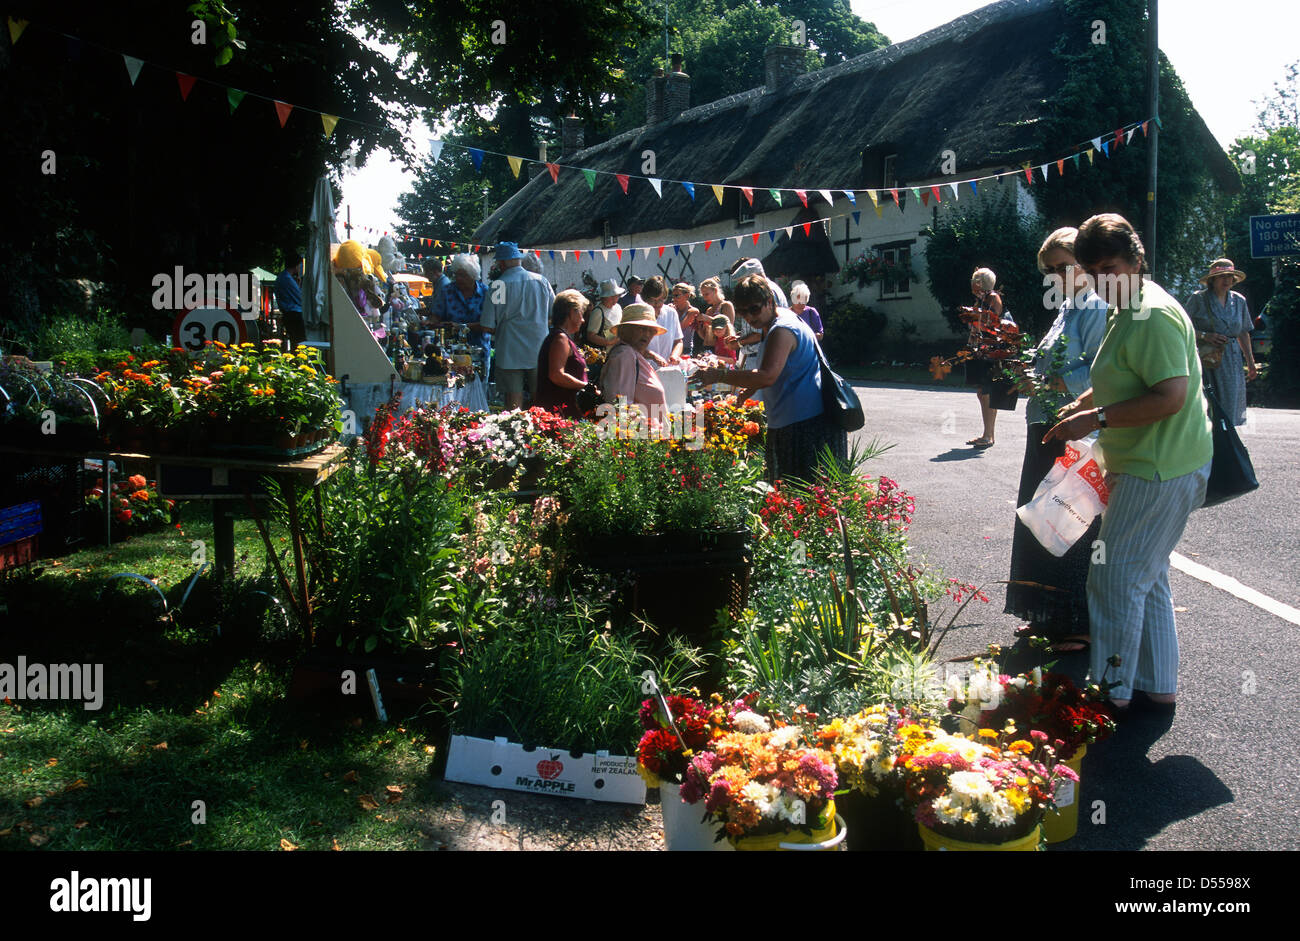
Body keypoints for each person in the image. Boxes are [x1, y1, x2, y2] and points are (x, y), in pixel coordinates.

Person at [1043, 213, 1212, 718]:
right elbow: (1125, 378)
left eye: (1111, 266)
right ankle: (1155, 688)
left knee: (1114, 577)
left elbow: (1169, 397)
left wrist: (1093, 418)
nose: (1102, 279)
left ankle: (1108, 693)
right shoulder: (1127, 305)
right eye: (1092, 270)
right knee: (1147, 575)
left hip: (1158, 467)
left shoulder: (1152, 312)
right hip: (1150, 463)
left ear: (1137, 260)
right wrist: (1081, 407)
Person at [1003, 228, 1108, 653]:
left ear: (1085, 260)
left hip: (1076, 427)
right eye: (1050, 270)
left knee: (1072, 521)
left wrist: (1055, 380)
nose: (1056, 275)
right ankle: (1046, 615)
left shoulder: (1098, 305)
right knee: (1042, 518)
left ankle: (1078, 624)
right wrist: (1023, 367)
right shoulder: (1069, 306)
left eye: (1064, 265)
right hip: (1046, 422)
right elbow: (1048, 359)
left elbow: (1106, 371)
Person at [695, 274, 846, 483]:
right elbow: (777, 370)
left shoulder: (782, 329)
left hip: (806, 425)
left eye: (754, 309)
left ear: (769, 301)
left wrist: (719, 374)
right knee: (799, 503)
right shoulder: (774, 321)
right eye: (742, 311)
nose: (749, 317)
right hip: (797, 421)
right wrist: (746, 391)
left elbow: (767, 376)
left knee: (805, 501)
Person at [480, 242, 554, 409]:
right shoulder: (541, 281)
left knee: (513, 400)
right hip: (538, 347)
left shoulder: (499, 286)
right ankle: (543, 430)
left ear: (502, 263)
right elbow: (552, 314)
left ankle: (515, 432)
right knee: (540, 397)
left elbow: (488, 325)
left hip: (509, 349)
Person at [1184, 258, 1257, 426]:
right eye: (1222, 276)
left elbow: (1243, 332)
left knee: (1231, 404)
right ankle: (1209, 443)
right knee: (1209, 404)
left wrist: (1251, 363)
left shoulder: (1239, 301)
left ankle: (1228, 443)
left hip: (1232, 360)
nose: (1226, 280)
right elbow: (1182, 328)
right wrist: (1204, 335)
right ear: (1212, 280)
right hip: (1207, 358)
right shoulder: (1199, 299)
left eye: (1230, 276)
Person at [963, 267, 1017, 448]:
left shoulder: (993, 299)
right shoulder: (983, 299)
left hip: (993, 351)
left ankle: (988, 436)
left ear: (979, 284)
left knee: (986, 393)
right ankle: (987, 434)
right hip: (985, 350)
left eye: (974, 281)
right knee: (983, 393)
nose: (972, 284)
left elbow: (989, 326)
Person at [533, 289, 590, 418]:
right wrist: (585, 386)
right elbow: (556, 375)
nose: (583, 320)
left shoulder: (560, 337)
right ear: (571, 312)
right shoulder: (560, 339)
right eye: (581, 313)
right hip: (559, 412)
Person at [601, 303, 668, 410]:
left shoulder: (633, 353)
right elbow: (620, 404)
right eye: (641, 329)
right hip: (639, 426)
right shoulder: (625, 355)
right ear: (625, 331)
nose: (647, 334)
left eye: (651, 330)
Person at [432, 254, 490, 365]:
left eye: (463, 275)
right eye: (456, 275)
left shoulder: (485, 293)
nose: (458, 278)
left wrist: (461, 327)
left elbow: (490, 324)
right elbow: (436, 316)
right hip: (451, 354)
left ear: (473, 275)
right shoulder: (447, 291)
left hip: (478, 353)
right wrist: (430, 321)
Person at [641, 277, 684, 364]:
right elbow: (632, 346)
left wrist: (674, 355)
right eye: (653, 300)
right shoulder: (638, 314)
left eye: (661, 300)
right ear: (645, 298)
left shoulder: (671, 313)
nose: (656, 304)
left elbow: (678, 341)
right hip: (643, 370)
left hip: (665, 369)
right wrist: (652, 356)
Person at [275, 248, 306, 349]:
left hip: (287, 313)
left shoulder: (281, 277)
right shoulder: (288, 279)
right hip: (294, 314)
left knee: (294, 341)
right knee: (300, 342)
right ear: (296, 265)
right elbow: (299, 298)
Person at [584, 279, 623, 349]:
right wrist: (609, 342)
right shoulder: (598, 311)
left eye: (616, 296)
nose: (614, 299)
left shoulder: (618, 307)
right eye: (611, 296)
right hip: (606, 352)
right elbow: (590, 336)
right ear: (603, 297)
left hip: (618, 348)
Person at [670, 282, 703, 355]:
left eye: (677, 295)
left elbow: (678, 329)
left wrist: (672, 313)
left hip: (685, 349)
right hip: (670, 347)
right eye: (673, 296)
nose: (673, 299)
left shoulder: (693, 311)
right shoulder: (672, 309)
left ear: (687, 296)